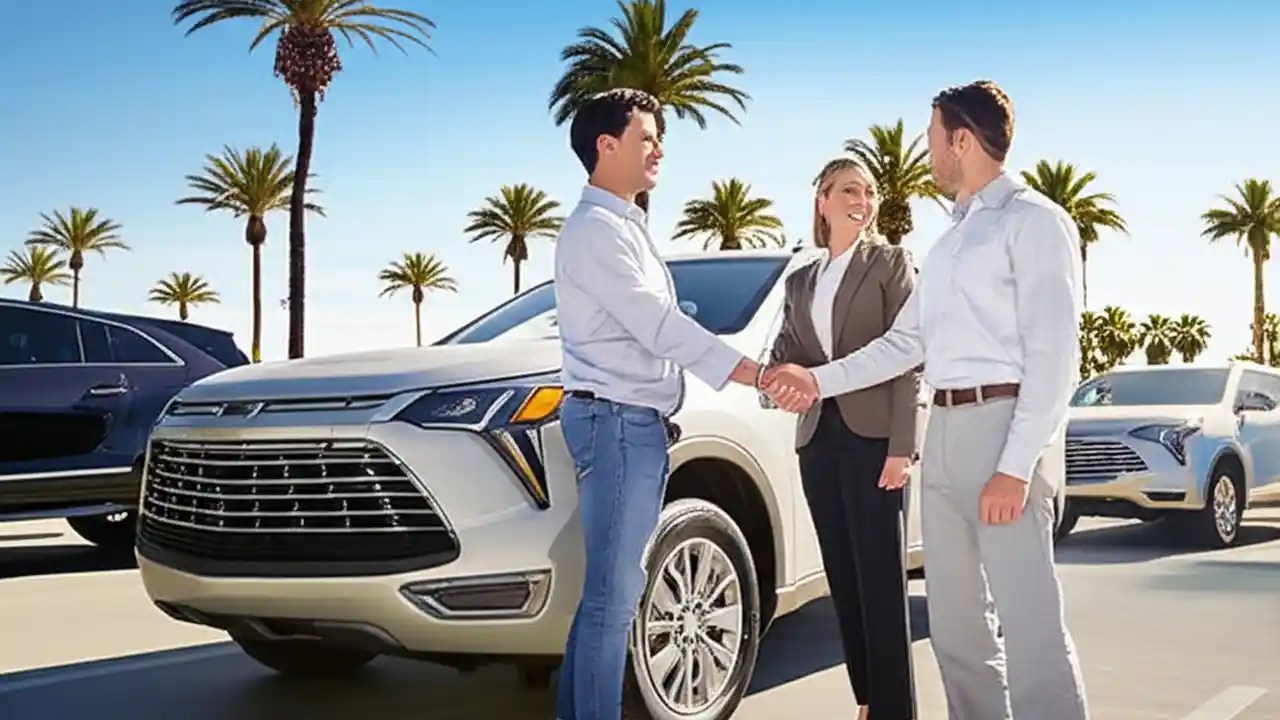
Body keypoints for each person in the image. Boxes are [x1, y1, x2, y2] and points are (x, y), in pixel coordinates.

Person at [764, 80, 1090, 720]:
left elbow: (1056, 358)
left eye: (934, 138)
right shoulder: (948, 246)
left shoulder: (1036, 221)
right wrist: (816, 382)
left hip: (1003, 430)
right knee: (957, 628)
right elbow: (901, 344)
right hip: (941, 432)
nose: (929, 153)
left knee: (1029, 626)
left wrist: (1015, 465)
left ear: (961, 141)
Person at [551, 87, 765, 720]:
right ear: (605, 145)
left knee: (608, 598)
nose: (658, 149)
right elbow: (655, 323)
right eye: (646, 137)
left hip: (628, 422)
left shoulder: (622, 227)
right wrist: (750, 370)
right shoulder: (595, 231)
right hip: (616, 421)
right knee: (614, 601)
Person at [766, 156, 920, 720]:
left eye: (870, 191)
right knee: (843, 578)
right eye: (850, 189)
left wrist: (903, 447)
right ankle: (866, 701)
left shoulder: (890, 263)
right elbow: (784, 354)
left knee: (881, 580)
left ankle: (895, 710)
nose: (863, 199)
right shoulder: (802, 279)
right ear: (822, 201)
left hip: (875, 439)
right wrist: (772, 384)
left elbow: (909, 358)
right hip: (818, 440)